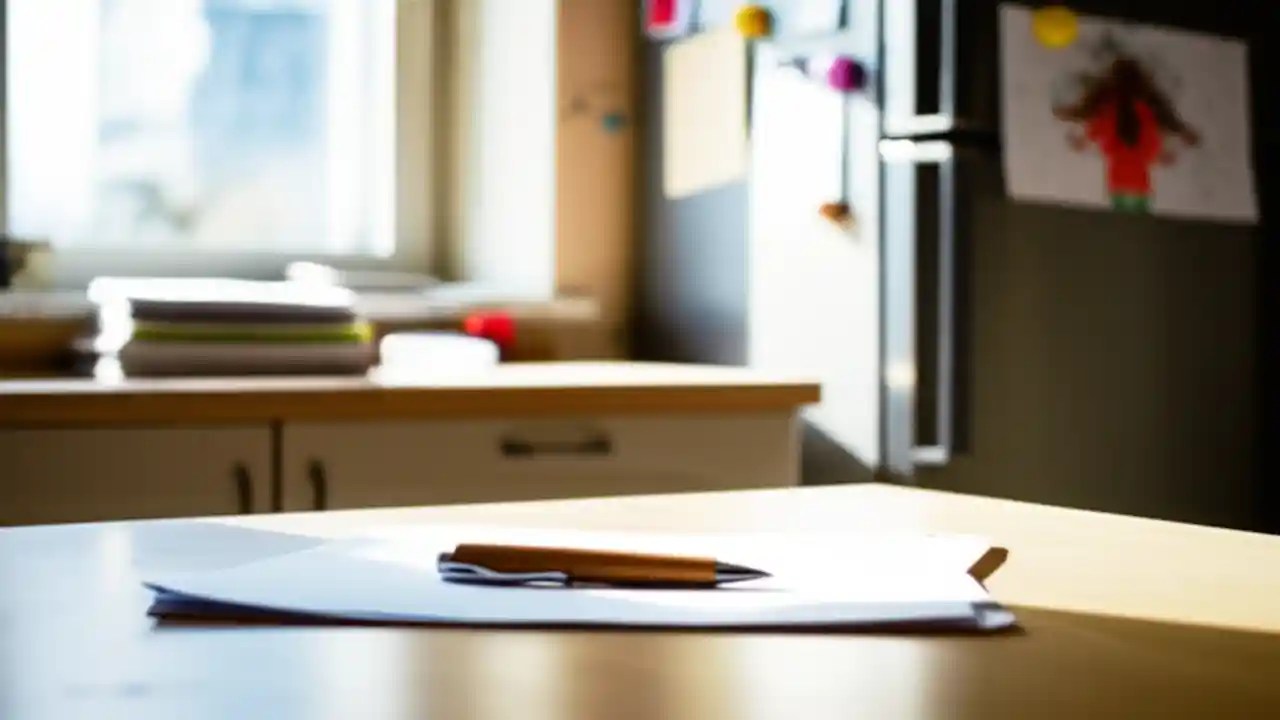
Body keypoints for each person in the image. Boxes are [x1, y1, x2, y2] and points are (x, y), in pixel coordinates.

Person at [1054, 55, 1199, 213]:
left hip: (1120, 177)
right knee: (1138, 210)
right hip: (1140, 178)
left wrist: (1080, 139)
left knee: (1123, 211)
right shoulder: (1147, 107)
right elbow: (1161, 128)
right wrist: (1173, 142)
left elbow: (1095, 126)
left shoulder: (1109, 108)